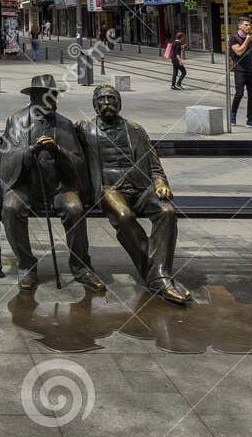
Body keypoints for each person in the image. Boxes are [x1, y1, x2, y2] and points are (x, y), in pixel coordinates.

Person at [76, 85, 191, 304]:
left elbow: (154, 165)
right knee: (124, 216)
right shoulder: (84, 129)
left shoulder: (135, 130)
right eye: (102, 100)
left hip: (140, 186)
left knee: (167, 211)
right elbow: (60, 134)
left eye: (112, 99)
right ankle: (159, 276)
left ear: (120, 103)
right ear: (94, 104)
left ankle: (157, 275)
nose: (107, 103)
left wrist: (160, 183)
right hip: (109, 189)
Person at [0, 75, 106, 292]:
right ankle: (27, 265)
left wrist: (59, 152)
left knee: (74, 208)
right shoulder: (16, 121)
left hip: (58, 187)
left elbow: (78, 163)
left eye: (53, 95)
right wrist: (29, 152)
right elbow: (7, 159)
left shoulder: (64, 124)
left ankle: (81, 266)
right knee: (11, 207)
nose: (51, 100)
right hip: (25, 186)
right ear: (34, 97)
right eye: (46, 96)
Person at [229, 18, 252, 129]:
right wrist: (247, 40)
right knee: (239, 93)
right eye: (246, 25)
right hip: (240, 70)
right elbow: (239, 52)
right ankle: (232, 116)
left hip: (251, 71)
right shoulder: (233, 39)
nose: (248, 27)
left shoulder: (251, 39)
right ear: (240, 26)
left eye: (249, 25)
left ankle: (250, 119)